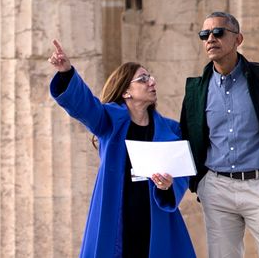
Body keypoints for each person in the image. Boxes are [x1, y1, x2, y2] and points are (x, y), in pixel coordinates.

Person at [47, 39, 196, 258]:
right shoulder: (108, 120)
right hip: (116, 217)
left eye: (151, 77)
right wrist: (67, 72)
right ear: (126, 91)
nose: (152, 82)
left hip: (156, 220)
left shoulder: (171, 130)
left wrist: (168, 185)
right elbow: (84, 105)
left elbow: (182, 173)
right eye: (143, 79)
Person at [180, 11, 259, 258]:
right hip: (216, 190)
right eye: (204, 34)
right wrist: (200, 183)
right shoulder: (196, 90)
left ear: (238, 39)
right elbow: (186, 137)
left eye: (218, 32)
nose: (210, 39)